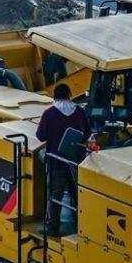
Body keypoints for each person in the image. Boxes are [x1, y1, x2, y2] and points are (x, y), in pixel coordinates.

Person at [36, 84, 90, 237]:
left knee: (55, 195)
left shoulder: (49, 113)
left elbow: (40, 135)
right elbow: (86, 133)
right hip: (76, 161)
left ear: (54, 96)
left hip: (57, 161)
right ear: (70, 95)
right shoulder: (79, 112)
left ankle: (52, 228)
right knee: (77, 194)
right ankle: (81, 226)